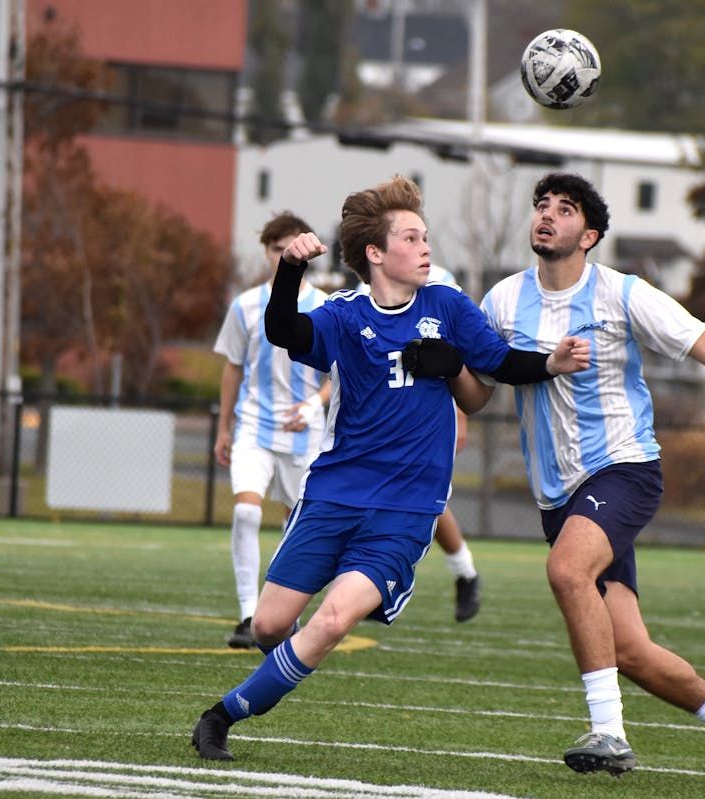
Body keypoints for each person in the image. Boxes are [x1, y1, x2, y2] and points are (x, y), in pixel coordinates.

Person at [453, 172, 705, 786]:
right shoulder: (503, 300)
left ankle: (609, 733)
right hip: (558, 495)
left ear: (591, 235)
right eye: (541, 206)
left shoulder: (623, 294)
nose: (547, 215)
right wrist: (445, 365)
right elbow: (478, 394)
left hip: (624, 468)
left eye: (565, 208)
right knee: (629, 651)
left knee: (565, 571)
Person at [191, 175, 591, 760]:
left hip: (404, 509)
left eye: (425, 235)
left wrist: (549, 362)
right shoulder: (345, 315)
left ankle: (221, 716)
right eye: (412, 237)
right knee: (270, 626)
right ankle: (276, 673)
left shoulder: (447, 306)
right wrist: (290, 272)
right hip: (332, 494)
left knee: (329, 622)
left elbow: (500, 363)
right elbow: (285, 331)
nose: (426, 246)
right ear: (376, 253)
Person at [212, 212, 329, 649]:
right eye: (276, 248)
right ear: (266, 251)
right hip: (254, 429)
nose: (283, 256)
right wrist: (224, 428)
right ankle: (247, 614)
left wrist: (314, 404)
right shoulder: (245, 305)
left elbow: (337, 371)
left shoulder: (323, 306)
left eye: (291, 247)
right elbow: (232, 368)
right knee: (245, 511)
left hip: (304, 436)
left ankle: (281, 614)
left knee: (297, 527)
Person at [355, 264, 481, 622]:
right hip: (380, 416)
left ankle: (464, 573)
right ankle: (370, 579)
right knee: (370, 494)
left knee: (428, 503)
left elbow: (458, 354)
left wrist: (460, 413)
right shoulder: (364, 286)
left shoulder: (439, 283)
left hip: (427, 415)